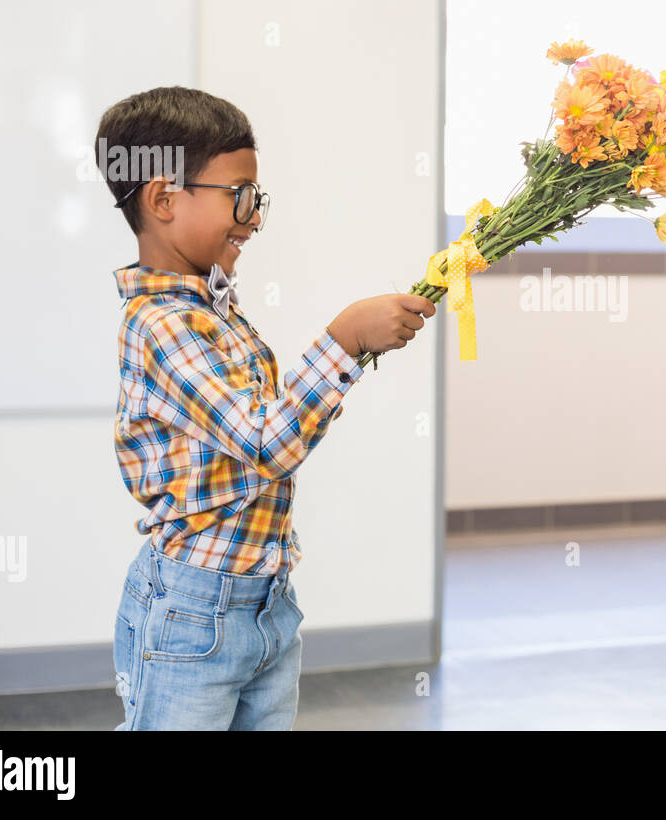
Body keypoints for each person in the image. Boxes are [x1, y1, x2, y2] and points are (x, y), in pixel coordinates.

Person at [102, 86, 435, 729]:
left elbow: (267, 440)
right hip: (193, 615)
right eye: (240, 196)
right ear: (164, 199)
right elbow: (266, 442)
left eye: (257, 199)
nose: (253, 218)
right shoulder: (164, 326)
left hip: (265, 604)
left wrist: (353, 352)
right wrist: (345, 341)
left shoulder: (214, 312)